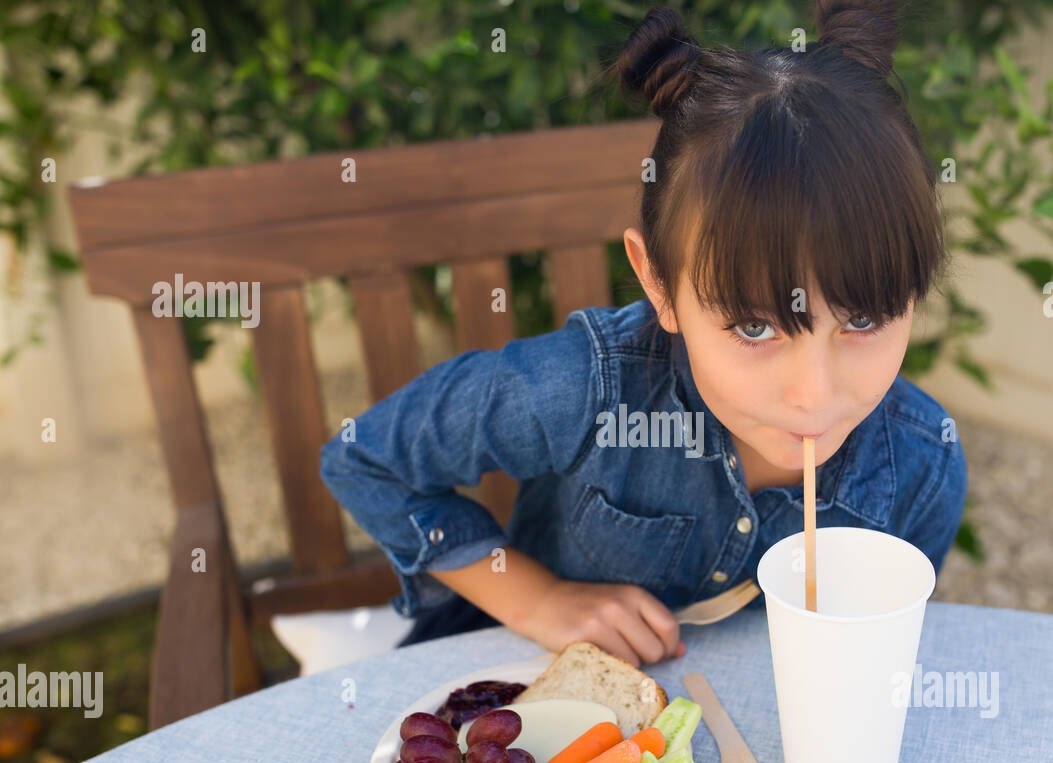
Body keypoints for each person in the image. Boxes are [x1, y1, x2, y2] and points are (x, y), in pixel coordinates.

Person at [319, 0, 966, 666]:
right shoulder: (585, 389)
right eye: (753, 326)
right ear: (658, 283)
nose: (814, 393)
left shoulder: (921, 469)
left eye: (862, 319)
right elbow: (365, 459)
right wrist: (539, 600)